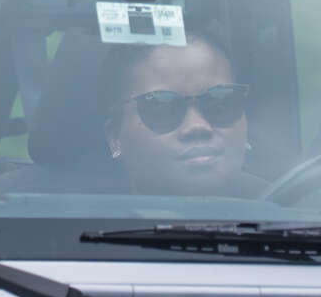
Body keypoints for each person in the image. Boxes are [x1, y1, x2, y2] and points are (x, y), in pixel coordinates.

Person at [104, 37, 260, 198]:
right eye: (162, 108)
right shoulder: (87, 219)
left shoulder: (283, 205)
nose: (197, 126)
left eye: (220, 103)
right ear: (115, 138)